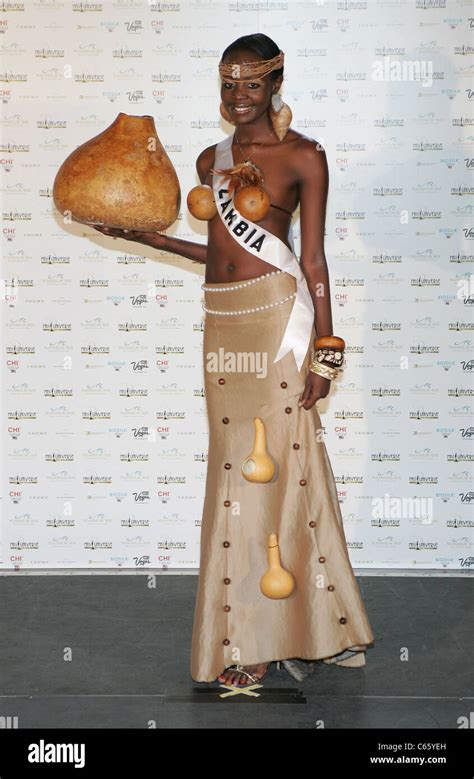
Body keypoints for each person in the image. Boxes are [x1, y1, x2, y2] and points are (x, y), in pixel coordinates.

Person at [94, 33, 375, 688]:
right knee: (234, 474)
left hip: (277, 321)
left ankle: (270, 637)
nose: (239, 95)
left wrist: (326, 352)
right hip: (222, 320)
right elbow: (220, 254)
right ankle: (286, 628)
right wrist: (151, 239)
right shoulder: (210, 159)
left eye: (251, 83)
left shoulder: (304, 156)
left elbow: (311, 260)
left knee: (280, 470)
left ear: (275, 84)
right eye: (229, 83)